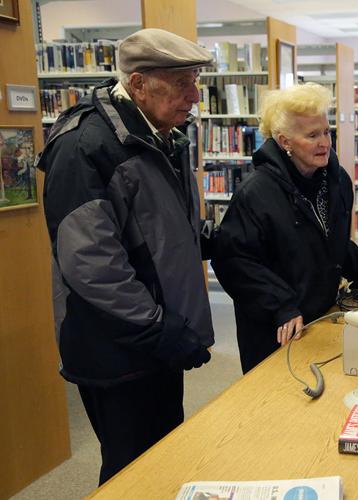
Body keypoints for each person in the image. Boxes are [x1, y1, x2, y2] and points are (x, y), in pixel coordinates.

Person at [37, 28, 215, 484]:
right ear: (137, 84)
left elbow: (158, 227)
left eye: (195, 81)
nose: (194, 95)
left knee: (163, 455)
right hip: (118, 347)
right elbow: (91, 265)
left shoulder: (162, 134)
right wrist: (158, 327)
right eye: (182, 84)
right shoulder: (84, 146)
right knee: (130, 471)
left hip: (157, 339)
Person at [212, 82, 358, 373]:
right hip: (276, 326)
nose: (324, 143)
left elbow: (335, 242)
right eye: (312, 135)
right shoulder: (256, 192)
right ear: (285, 142)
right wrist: (281, 304)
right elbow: (233, 261)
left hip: (321, 316)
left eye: (326, 132)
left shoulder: (338, 180)